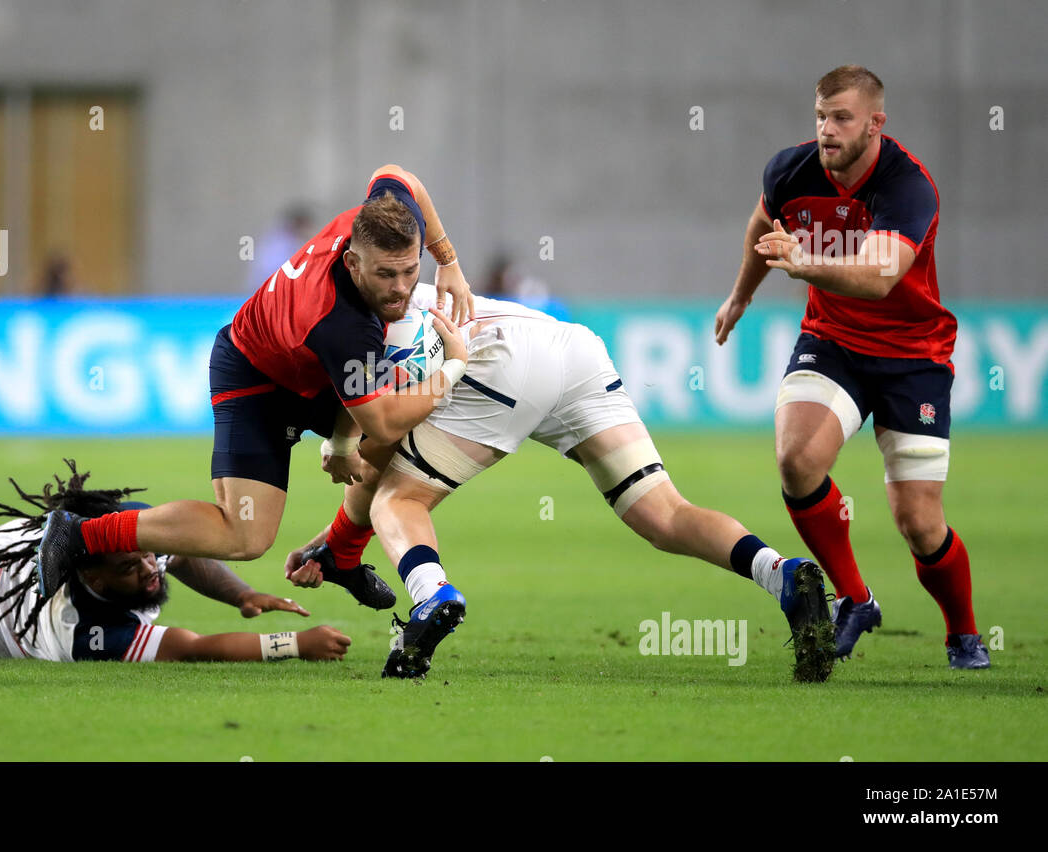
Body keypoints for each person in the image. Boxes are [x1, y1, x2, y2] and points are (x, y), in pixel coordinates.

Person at [286, 284, 836, 682]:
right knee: (663, 515)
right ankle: (781, 573)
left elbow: (377, 455)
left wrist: (340, 498)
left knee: (398, 498)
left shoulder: (356, 333)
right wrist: (334, 544)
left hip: (494, 365)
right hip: (570, 348)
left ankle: (433, 596)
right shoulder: (399, 284)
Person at [36, 165, 475, 610]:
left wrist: (448, 261)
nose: (401, 289)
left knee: (397, 445)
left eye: (409, 270)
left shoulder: (383, 220)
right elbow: (379, 420)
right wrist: (454, 365)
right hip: (257, 378)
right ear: (351, 262)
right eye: (386, 275)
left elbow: (399, 175)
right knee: (244, 534)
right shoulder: (338, 322)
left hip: (313, 371)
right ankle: (81, 534)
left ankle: (341, 554)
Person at [713, 66, 987, 669]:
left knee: (919, 522)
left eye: (841, 118)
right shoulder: (790, 170)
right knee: (796, 459)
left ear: (875, 123)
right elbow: (764, 226)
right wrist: (742, 295)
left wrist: (804, 264)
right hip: (832, 342)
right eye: (820, 116)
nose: (827, 130)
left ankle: (964, 632)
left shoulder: (909, 186)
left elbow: (881, 278)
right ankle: (855, 599)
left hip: (913, 354)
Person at [0, 461, 350, 664]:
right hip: (2, 620)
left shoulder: (125, 543)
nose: (151, 568)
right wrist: (296, 644)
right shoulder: (86, 632)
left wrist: (239, 595)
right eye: (132, 568)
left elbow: (184, 555)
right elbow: (197, 648)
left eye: (148, 556)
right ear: (90, 576)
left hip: (1, 554)